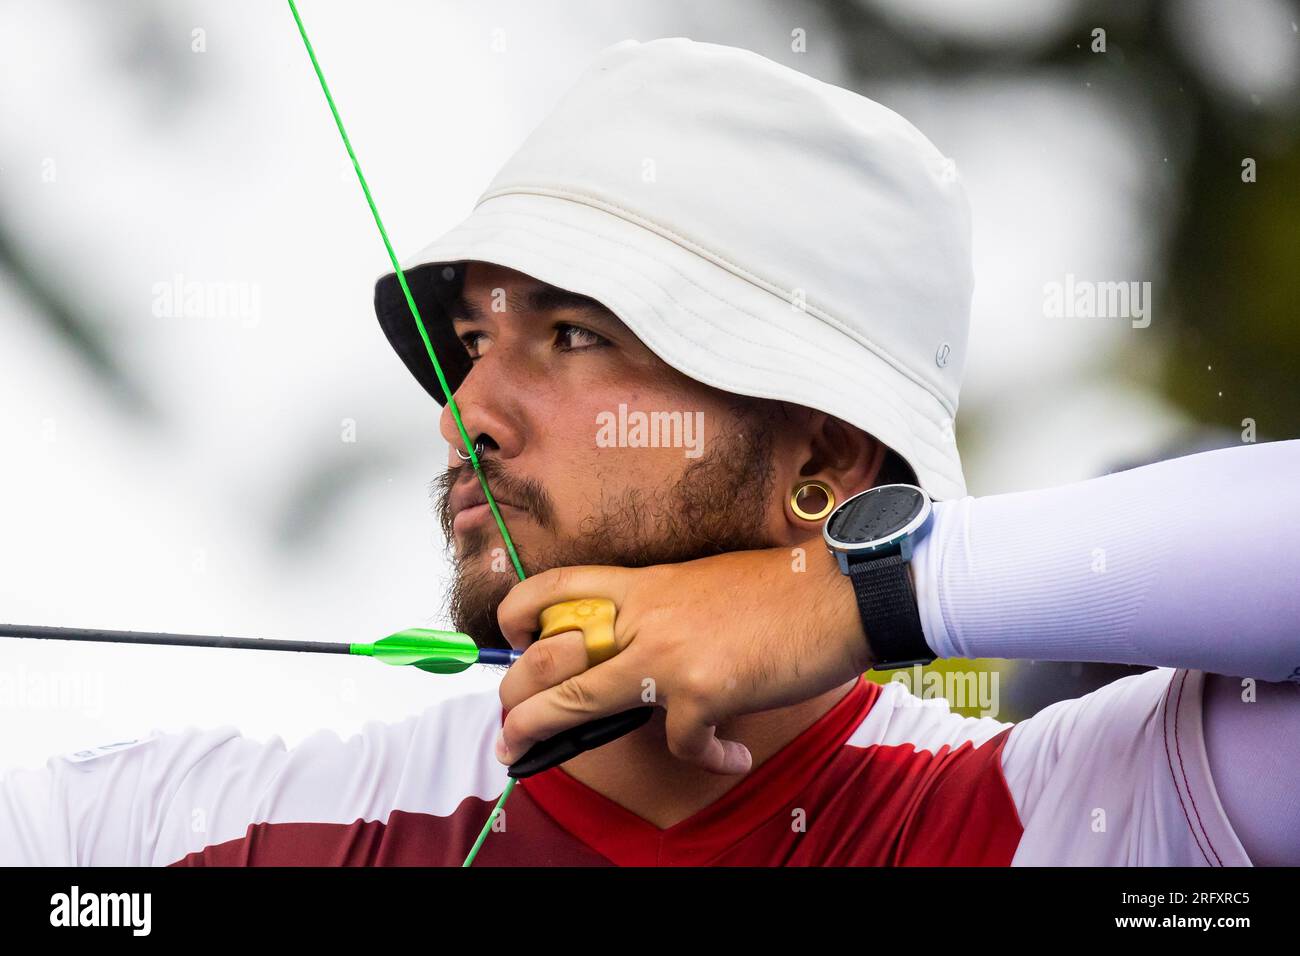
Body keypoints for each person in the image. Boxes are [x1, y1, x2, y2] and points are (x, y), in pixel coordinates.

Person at [2, 39, 1295, 866]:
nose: (465, 414)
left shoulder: (1064, 822)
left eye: (571, 336)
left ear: (827, 460)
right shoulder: (171, 833)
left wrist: (859, 593)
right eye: (468, 342)